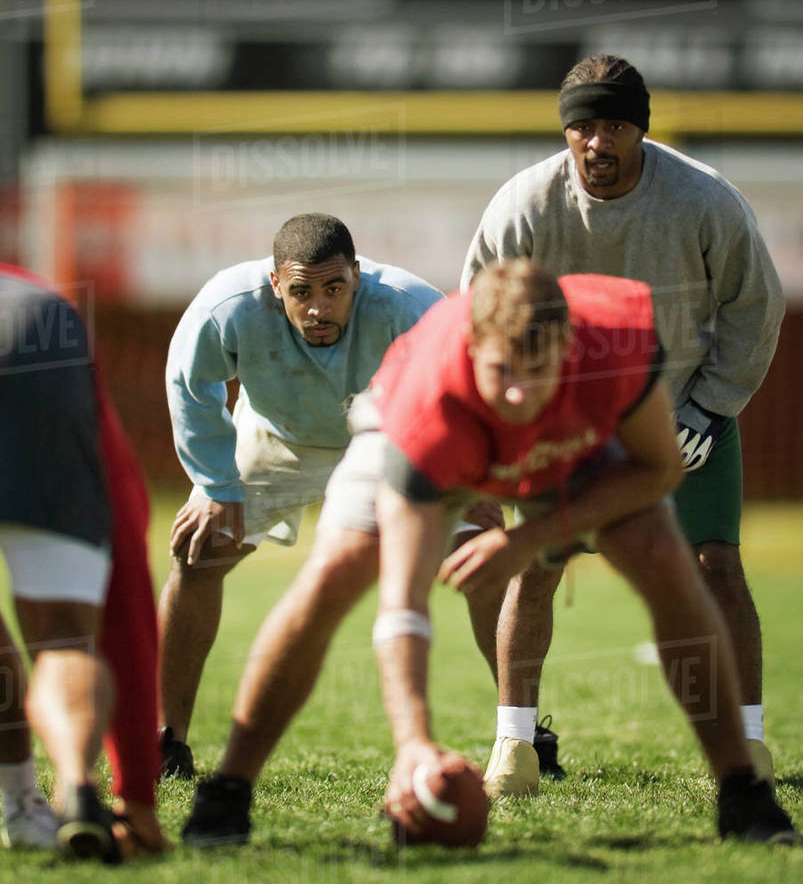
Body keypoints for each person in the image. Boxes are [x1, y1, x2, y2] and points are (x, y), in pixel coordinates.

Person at [183, 261, 796, 847]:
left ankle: (741, 789)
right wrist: (414, 745)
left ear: (567, 348)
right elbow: (403, 602)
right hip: (441, 438)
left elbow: (659, 471)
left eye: (536, 369)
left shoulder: (614, 347)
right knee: (331, 579)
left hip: (572, 447)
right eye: (502, 369)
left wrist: (529, 537)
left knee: (667, 567)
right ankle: (229, 788)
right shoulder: (427, 400)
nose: (517, 393)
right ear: (474, 347)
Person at [460, 55, 785, 797]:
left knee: (715, 566)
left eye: (612, 126)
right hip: (558, 417)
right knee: (535, 566)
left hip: (680, 413)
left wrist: (711, 405)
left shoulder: (704, 201)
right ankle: (513, 746)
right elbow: (480, 314)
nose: (595, 143)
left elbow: (753, 308)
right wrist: (514, 412)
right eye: (581, 127)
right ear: (565, 132)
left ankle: (748, 741)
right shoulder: (523, 205)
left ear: (638, 129)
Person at [160, 212, 499, 778]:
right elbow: (190, 387)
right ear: (275, 285)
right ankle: (166, 738)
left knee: (482, 551)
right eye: (301, 292)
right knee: (198, 550)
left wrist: (478, 480)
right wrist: (214, 487)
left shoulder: (411, 307)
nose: (319, 307)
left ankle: (521, 731)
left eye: (334, 288)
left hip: (393, 439)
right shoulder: (227, 308)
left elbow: (468, 385)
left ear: (357, 278)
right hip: (279, 436)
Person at [0, 264, 167, 862]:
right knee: (66, 639)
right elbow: (124, 581)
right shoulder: (38, 301)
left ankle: (20, 806)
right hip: (31, 328)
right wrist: (139, 796)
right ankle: (77, 782)